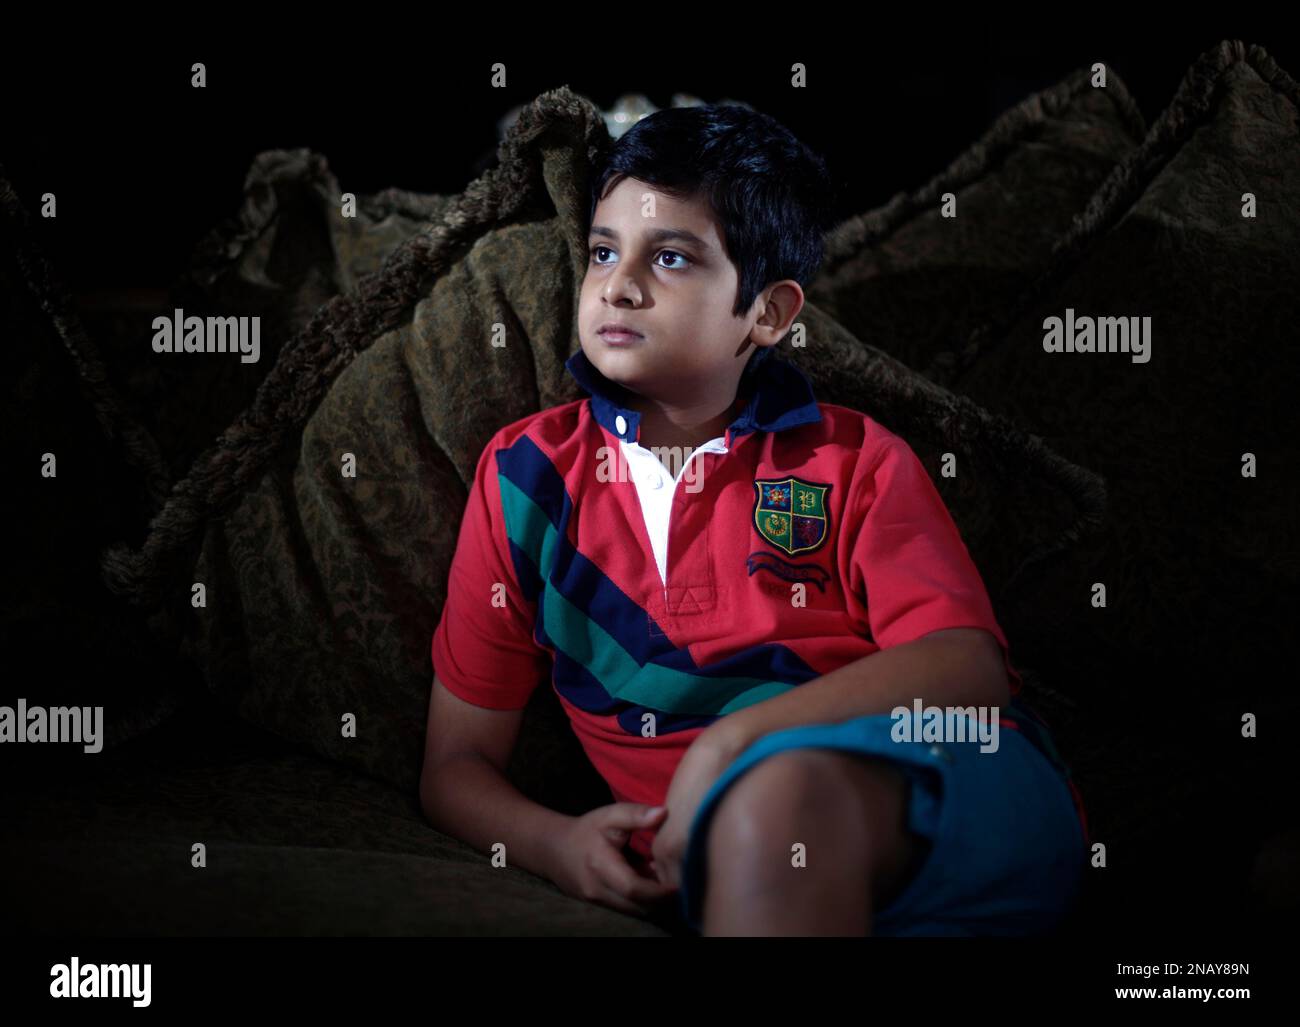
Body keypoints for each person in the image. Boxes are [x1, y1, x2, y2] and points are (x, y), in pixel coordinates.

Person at [423, 103, 1088, 936]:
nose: (619, 284)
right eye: (603, 251)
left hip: (945, 794)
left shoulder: (851, 460)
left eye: (670, 257)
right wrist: (556, 843)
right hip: (740, 869)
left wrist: (731, 745)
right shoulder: (524, 481)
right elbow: (455, 765)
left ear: (768, 314)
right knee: (757, 833)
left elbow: (969, 667)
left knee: (773, 803)